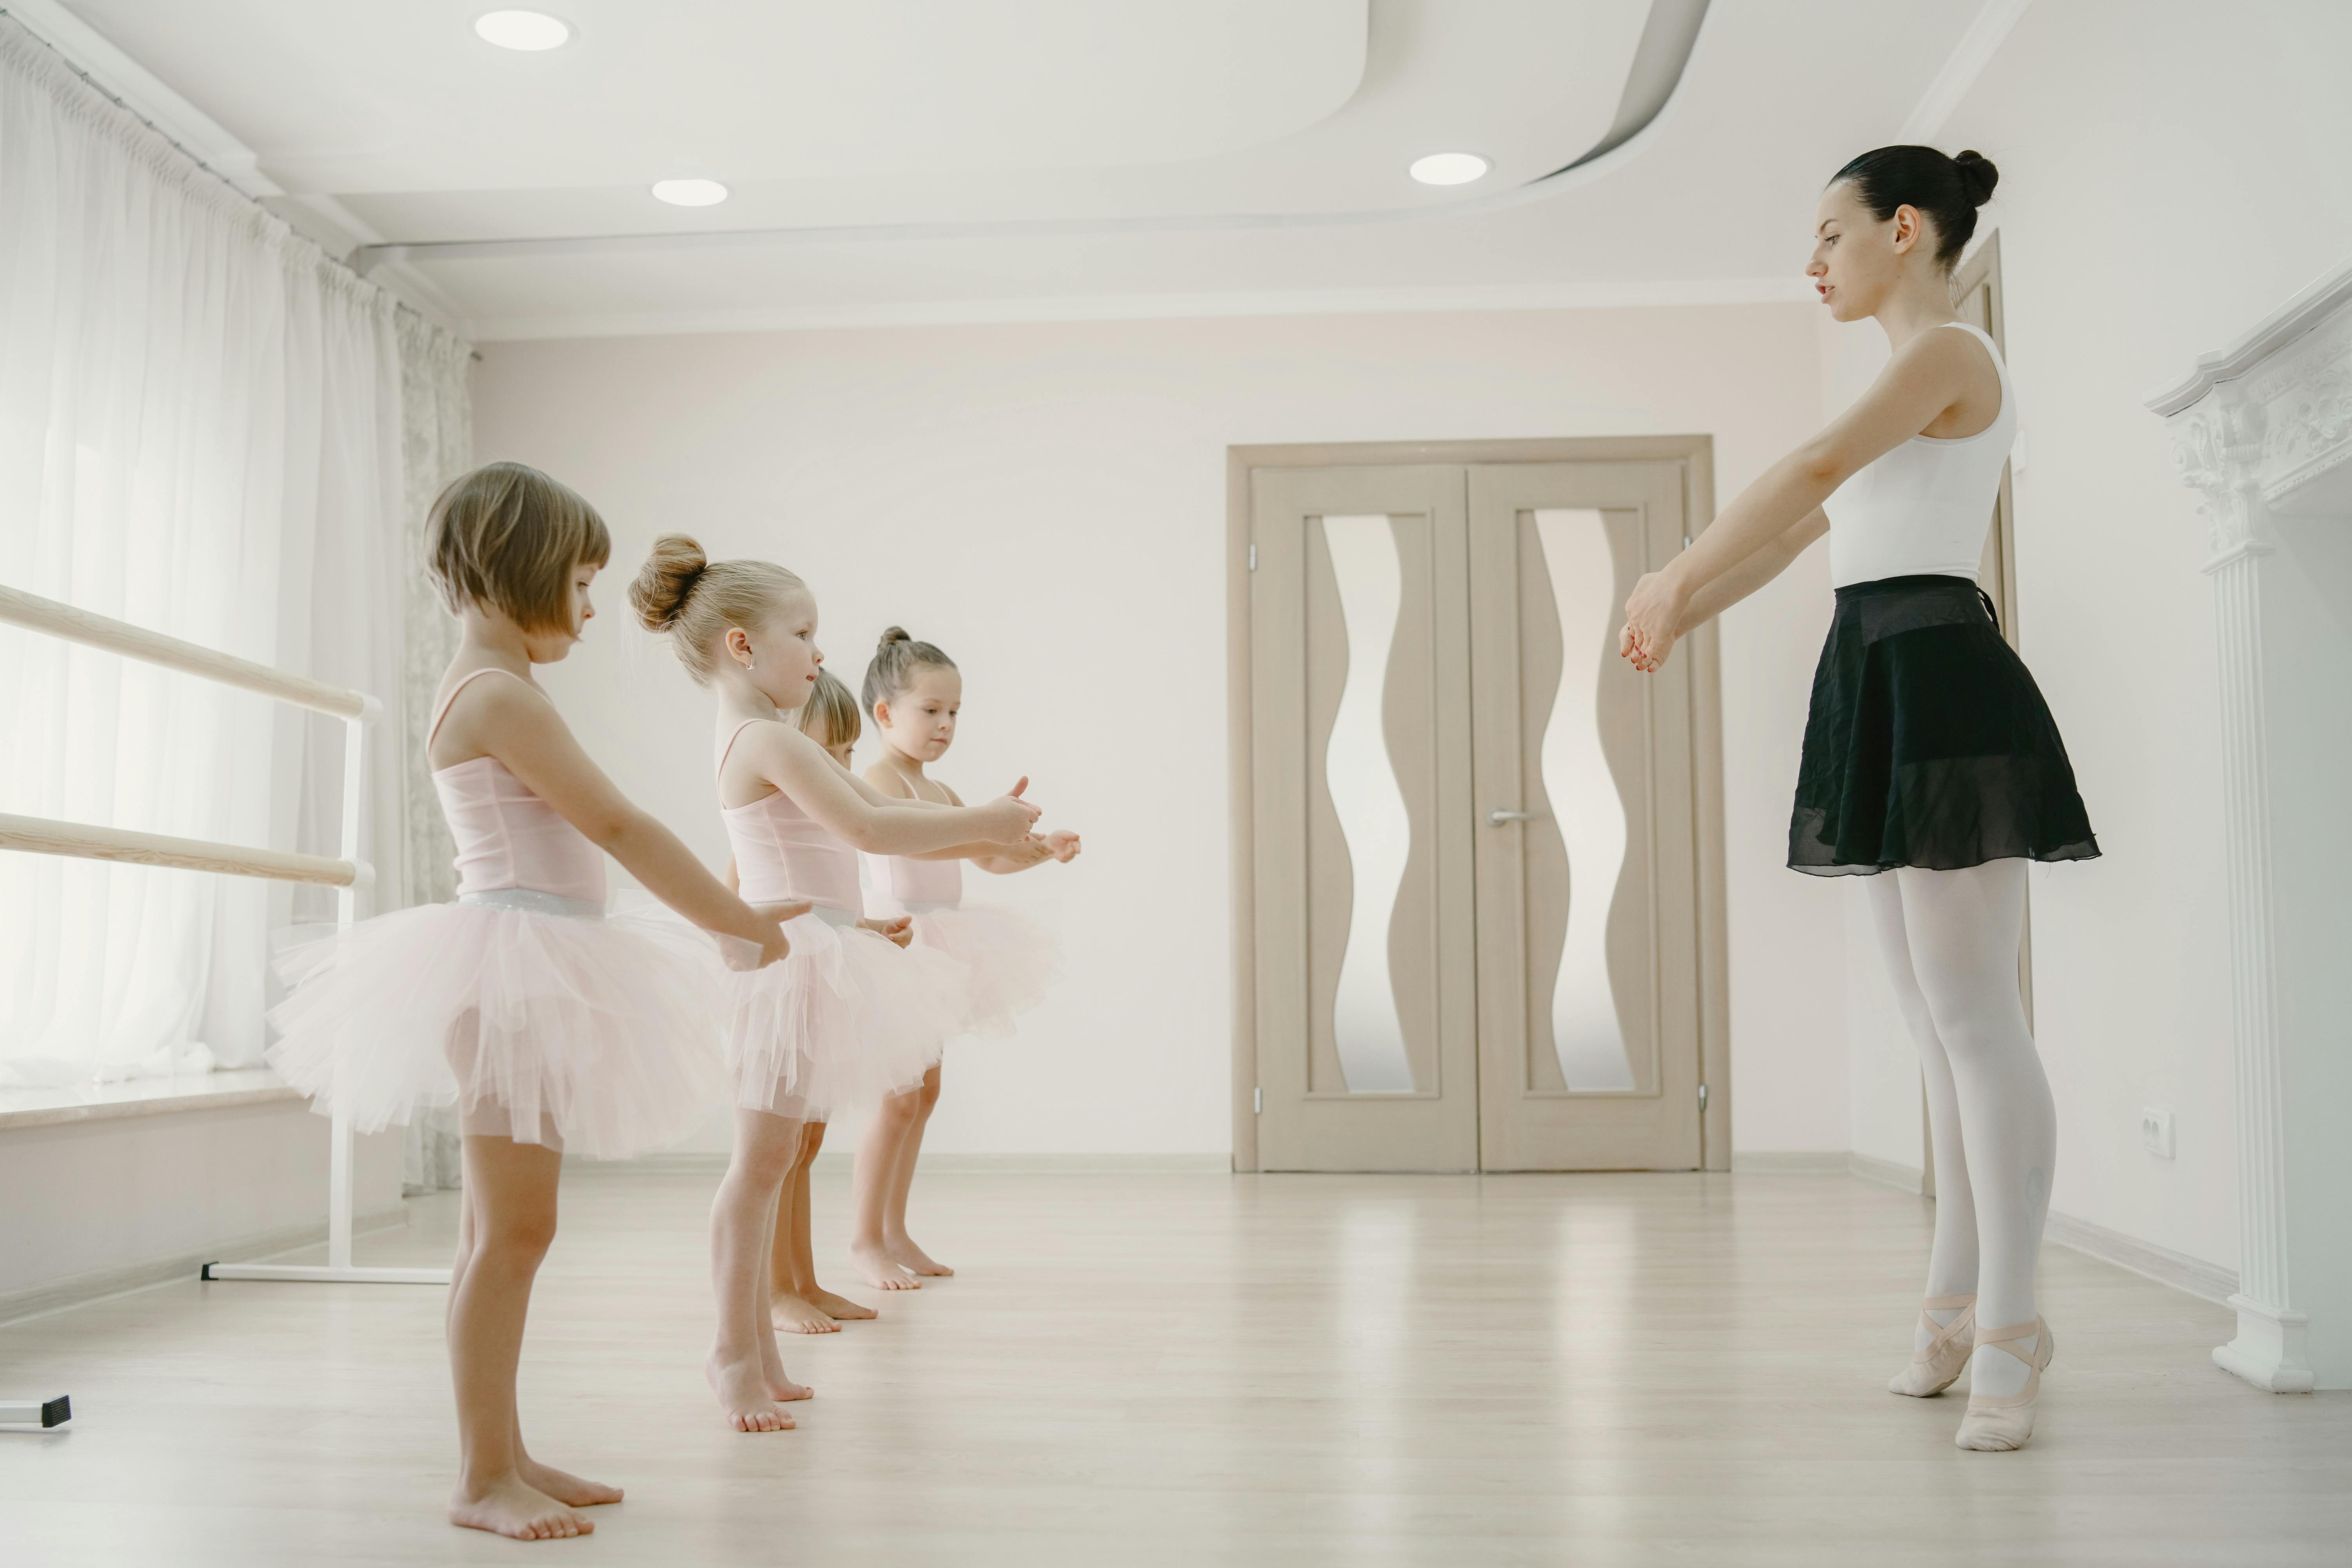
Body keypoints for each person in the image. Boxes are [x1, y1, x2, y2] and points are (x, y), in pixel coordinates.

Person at [1619, 147, 2095, 1451]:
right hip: (1876, 669)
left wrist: (1670, 573)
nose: (1812, 262)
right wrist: (1676, 609)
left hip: (1941, 674)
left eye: (1828, 235)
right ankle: (1953, 1306)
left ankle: (2013, 1322)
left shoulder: (1951, 354)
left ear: (1902, 229)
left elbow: (1817, 471)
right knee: (1929, 1018)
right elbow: (1793, 538)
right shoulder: (1897, 380)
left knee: (1974, 1013)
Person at [269, 463, 797, 1536]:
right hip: (511, 969)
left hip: (531, 963)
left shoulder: (496, 686)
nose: (595, 607)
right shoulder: (499, 694)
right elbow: (618, 825)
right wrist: (740, 923)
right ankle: (478, 1479)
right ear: (521, 570)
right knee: (510, 1234)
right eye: (582, 582)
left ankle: (504, 1452)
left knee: (500, 1233)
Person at [629, 536, 1035, 1421]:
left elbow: (863, 827)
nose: (819, 654)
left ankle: (761, 1343)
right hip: (787, 962)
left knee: (777, 1156)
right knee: (758, 1163)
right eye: (804, 633)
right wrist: (991, 820)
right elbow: (870, 825)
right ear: (742, 645)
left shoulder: (766, 735)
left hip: (816, 948)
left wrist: (981, 839)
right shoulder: (763, 738)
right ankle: (734, 1353)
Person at [857, 628, 1079, 1279]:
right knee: (897, 1097)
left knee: (924, 1094)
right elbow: (924, 847)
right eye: (931, 711)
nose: (946, 724)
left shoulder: (941, 791)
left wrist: (1039, 848)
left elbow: (982, 855)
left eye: (955, 712)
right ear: (885, 714)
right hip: (898, 945)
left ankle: (895, 1232)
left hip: (938, 947)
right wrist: (988, 819)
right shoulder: (876, 781)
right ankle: (866, 1240)